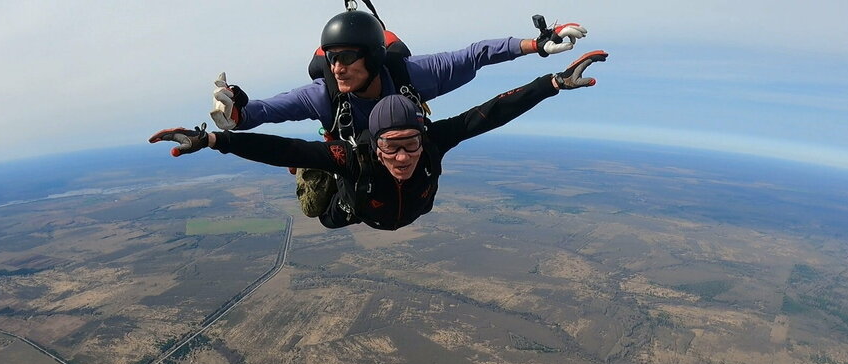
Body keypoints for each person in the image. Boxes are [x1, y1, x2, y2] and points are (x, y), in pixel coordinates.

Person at [151, 50, 608, 231]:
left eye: (411, 143)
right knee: (319, 211)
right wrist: (213, 140)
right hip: (352, 210)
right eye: (392, 147)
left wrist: (550, 82)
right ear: (374, 145)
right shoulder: (354, 158)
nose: (405, 156)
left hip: (401, 208)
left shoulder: (434, 141)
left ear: (422, 134)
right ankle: (320, 172)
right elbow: (282, 149)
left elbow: (490, 113)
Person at [209, 9, 588, 217]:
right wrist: (237, 117)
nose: (337, 68)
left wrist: (536, 45)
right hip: (348, 160)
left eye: (345, 57)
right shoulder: (324, 95)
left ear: (373, 57)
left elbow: (476, 55)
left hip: (393, 154)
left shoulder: (413, 75)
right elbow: (270, 110)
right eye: (332, 58)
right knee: (315, 208)